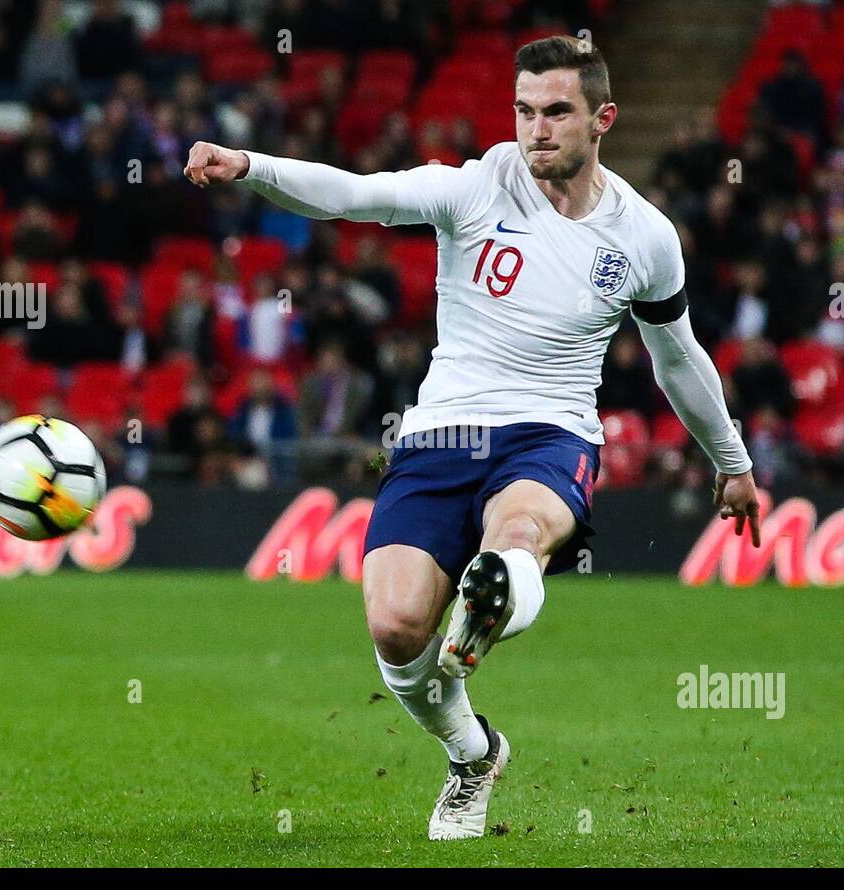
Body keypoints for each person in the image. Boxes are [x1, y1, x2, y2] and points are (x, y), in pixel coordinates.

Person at [183, 36, 758, 841]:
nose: (536, 129)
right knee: (395, 628)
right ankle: (474, 752)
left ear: (603, 120)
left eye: (556, 111)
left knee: (516, 532)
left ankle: (496, 586)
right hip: (440, 434)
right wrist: (251, 166)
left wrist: (732, 463)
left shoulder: (644, 237)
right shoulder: (475, 188)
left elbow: (679, 359)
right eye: (524, 110)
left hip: (551, 433)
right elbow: (353, 193)